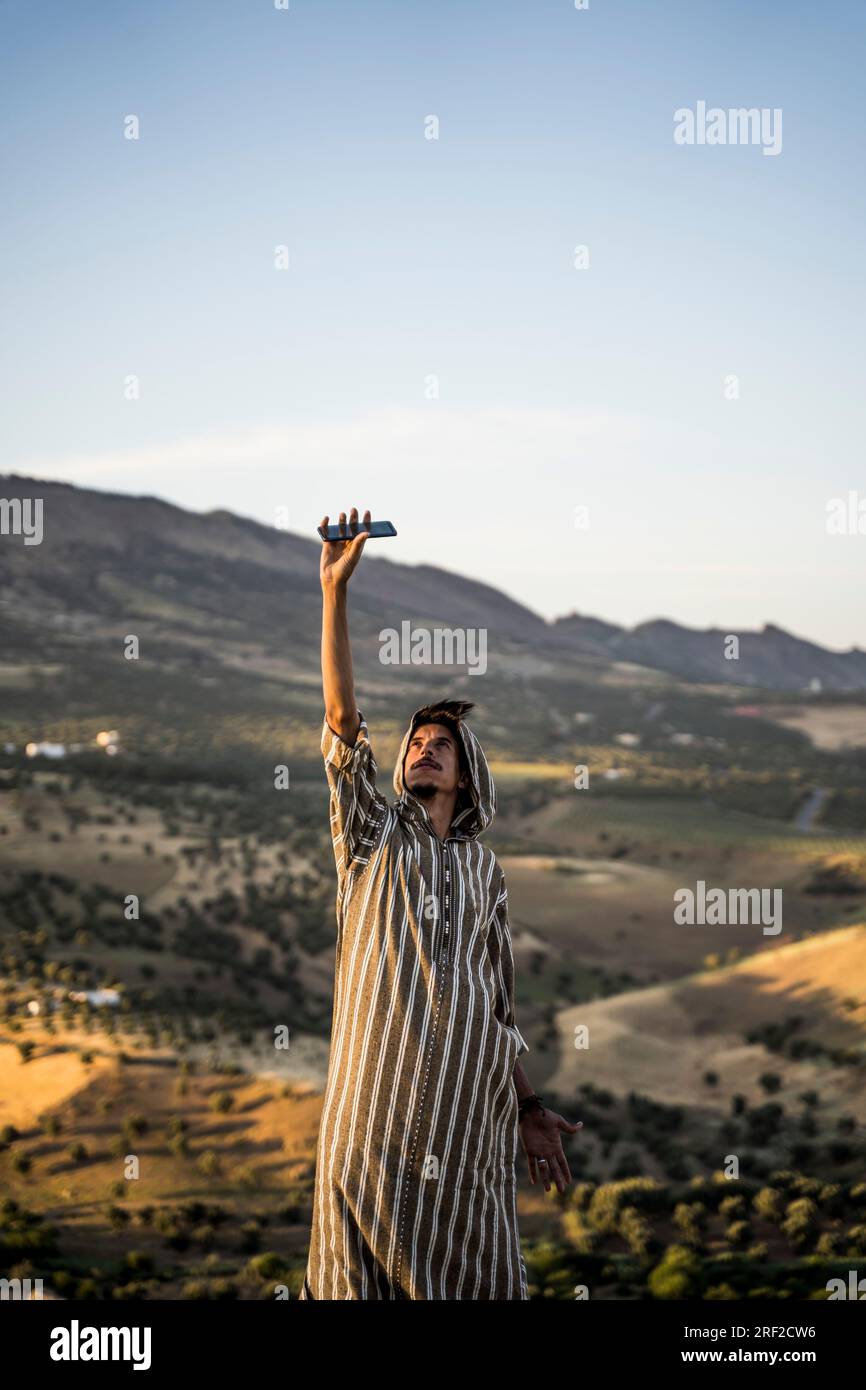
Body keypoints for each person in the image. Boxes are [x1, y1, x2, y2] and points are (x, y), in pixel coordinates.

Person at [299, 506, 581, 1300]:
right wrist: (334, 594)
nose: (423, 746)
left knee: (479, 1278)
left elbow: (499, 1000)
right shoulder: (370, 839)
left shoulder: (487, 872)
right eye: (416, 741)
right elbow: (343, 724)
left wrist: (530, 1107)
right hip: (373, 1121)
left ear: (468, 778)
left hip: (471, 1126)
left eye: (441, 743)